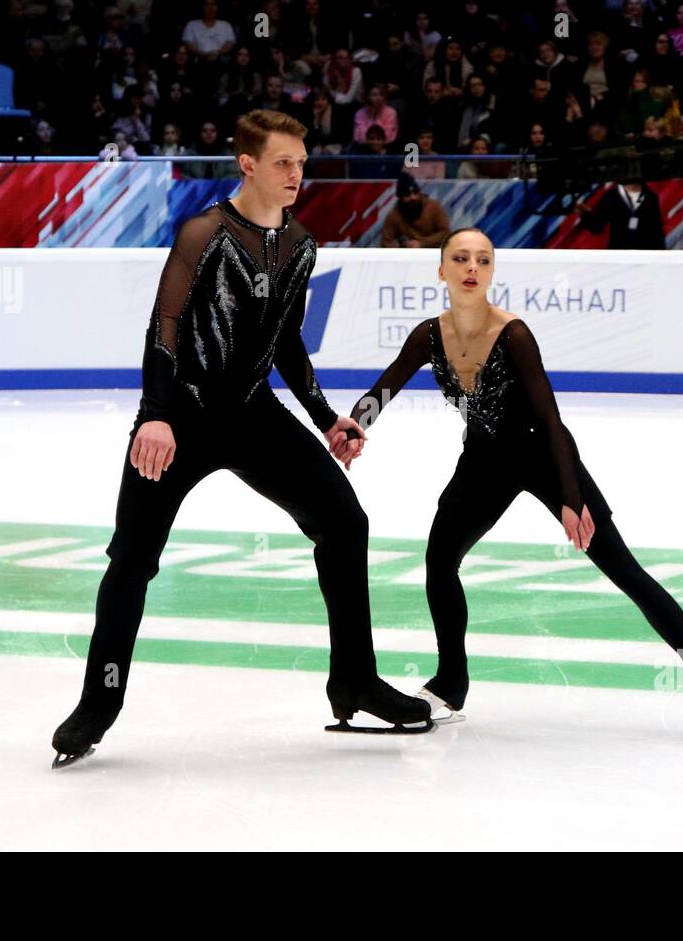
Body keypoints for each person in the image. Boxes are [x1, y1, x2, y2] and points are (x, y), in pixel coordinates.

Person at [51, 110, 433, 767]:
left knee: (344, 522)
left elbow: (288, 345)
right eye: (284, 162)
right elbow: (165, 326)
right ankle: (100, 701)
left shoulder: (301, 245)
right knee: (133, 559)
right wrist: (156, 414)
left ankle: (355, 681)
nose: (297, 174)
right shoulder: (203, 233)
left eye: (302, 162)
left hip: (254, 415)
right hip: (184, 415)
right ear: (248, 164)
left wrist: (323, 417)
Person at [332, 228, 683, 739]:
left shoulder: (514, 334)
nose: (471, 268)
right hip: (484, 459)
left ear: (491, 272)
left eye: (483, 260)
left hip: (546, 456)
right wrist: (355, 423)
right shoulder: (428, 335)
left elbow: (550, 419)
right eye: (460, 258)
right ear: (441, 271)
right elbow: (386, 386)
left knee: (621, 568)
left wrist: (572, 498)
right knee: (440, 561)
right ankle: (450, 684)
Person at [575, 177, 666, 249]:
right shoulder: (611, 196)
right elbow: (596, 227)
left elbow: (657, 230)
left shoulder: (651, 196)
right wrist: (585, 214)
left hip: (645, 255)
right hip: (620, 254)